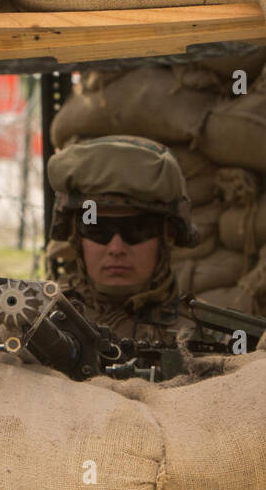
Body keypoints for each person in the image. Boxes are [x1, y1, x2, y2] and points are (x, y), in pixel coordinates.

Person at [44, 134, 203, 344]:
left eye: (137, 229)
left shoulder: (205, 334)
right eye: (97, 230)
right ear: (76, 238)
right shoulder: (35, 323)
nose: (116, 248)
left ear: (168, 236)